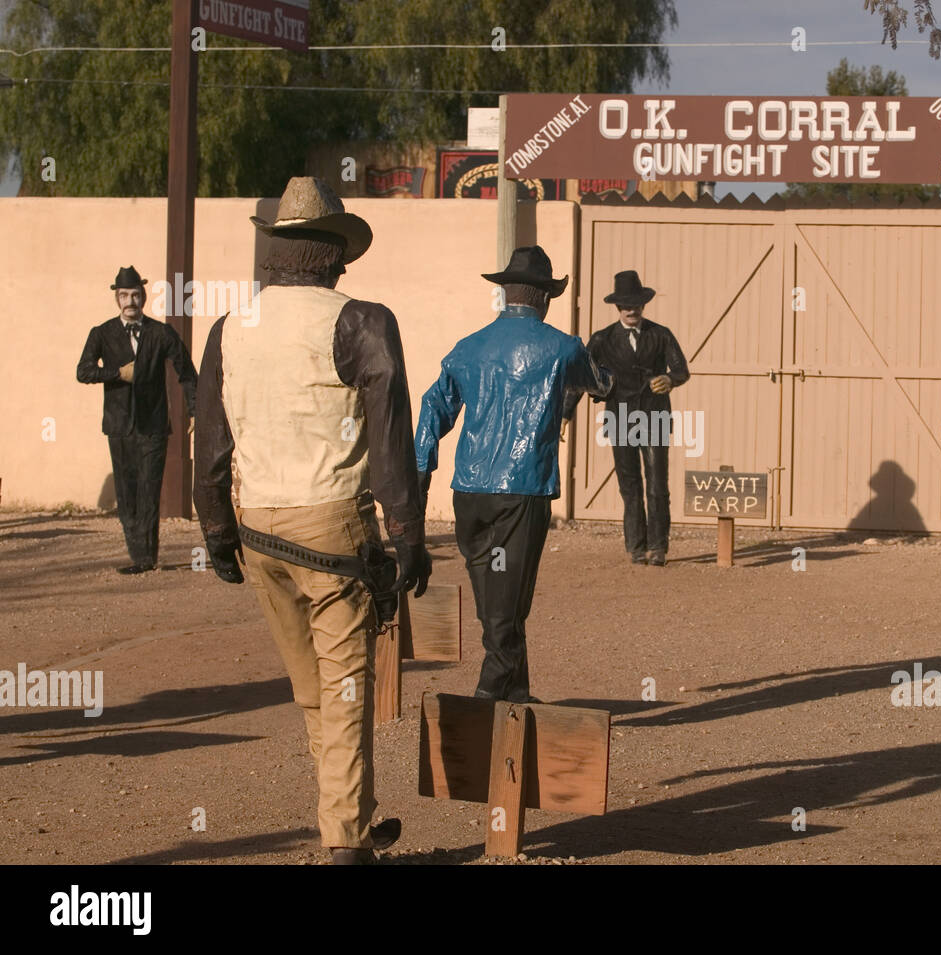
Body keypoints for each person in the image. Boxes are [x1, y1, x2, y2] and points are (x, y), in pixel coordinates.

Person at [193, 177, 431, 864]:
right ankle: (348, 844)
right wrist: (407, 533)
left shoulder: (228, 329)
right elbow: (390, 437)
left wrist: (216, 532)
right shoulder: (361, 320)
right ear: (331, 254)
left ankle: (348, 816)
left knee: (314, 692)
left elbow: (212, 442)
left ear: (276, 253)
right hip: (333, 531)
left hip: (259, 530)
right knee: (349, 687)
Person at [415, 246, 611, 703]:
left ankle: (516, 695)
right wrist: (610, 384)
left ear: (505, 294)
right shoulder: (563, 347)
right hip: (522, 490)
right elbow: (598, 384)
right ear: (543, 298)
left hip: (469, 491)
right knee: (509, 601)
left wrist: (421, 473)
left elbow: (432, 409)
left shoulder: (467, 347)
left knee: (493, 596)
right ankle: (487, 693)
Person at [561, 270, 690, 566]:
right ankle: (636, 546)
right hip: (620, 418)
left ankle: (658, 547)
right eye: (626, 306)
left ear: (643, 306)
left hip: (655, 417)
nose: (632, 310)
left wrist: (670, 380)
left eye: (637, 305)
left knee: (657, 485)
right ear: (617, 308)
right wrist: (565, 413)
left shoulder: (661, 334)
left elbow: (682, 370)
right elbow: (581, 378)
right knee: (629, 484)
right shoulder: (602, 339)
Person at [76, 266, 198, 574]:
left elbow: (187, 372)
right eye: (123, 295)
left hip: (153, 425)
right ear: (116, 298)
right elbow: (84, 371)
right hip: (118, 426)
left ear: (143, 296)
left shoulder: (161, 333)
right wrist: (117, 373)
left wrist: (195, 410)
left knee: (148, 489)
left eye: (135, 294)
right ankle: (136, 553)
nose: (130, 301)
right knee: (126, 491)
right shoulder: (101, 333)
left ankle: (146, 559)